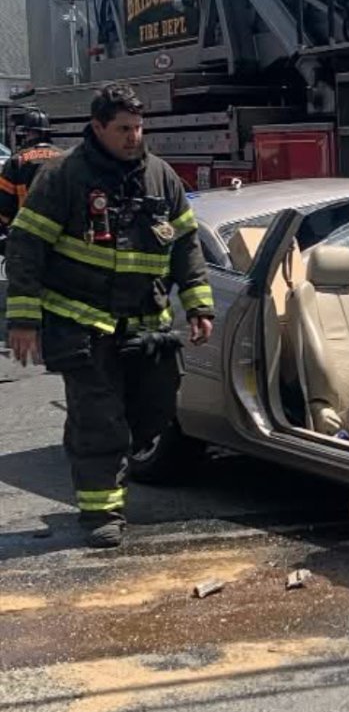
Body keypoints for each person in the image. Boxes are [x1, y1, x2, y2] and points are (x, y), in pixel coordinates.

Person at [4, 83, 215, 550]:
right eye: (123, 129)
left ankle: (94, 448)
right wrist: (23, 320)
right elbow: (25, 246)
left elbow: (186, 245)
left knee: (154, 411)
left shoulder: (160, 177)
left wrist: (199, 304)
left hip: (146, 326)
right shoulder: (64, 176)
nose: (134, 137)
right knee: (101, 420)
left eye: (138, 128)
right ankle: (101, 514)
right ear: (97, 127)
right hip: (81, 323)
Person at [0, 108, 63, 237]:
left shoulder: (17, 160)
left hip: (26, 233)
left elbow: (4, 205)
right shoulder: (63, 158)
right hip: (59, 232)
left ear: (28, 132)